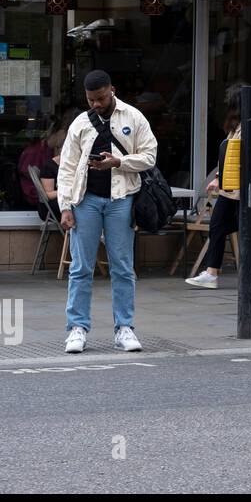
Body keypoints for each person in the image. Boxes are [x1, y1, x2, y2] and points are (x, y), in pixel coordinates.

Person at [57, 70, 158, 355]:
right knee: (80, 267)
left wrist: (119, 162)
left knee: (123, 267)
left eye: (100, 98)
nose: (96, 105)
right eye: (91, 100)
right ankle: (77, 328)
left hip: (121, 198)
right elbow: (66, 167)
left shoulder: (134, 117)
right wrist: (65, 206)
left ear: (112, 90)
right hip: (85, 199)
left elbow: (150, 155)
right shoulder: (80, 123)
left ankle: (124, 328)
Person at [185, 85, 251, 290]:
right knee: (221, 226)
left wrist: (220, 179)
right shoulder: (240, 127)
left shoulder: (250, 127)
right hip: (231, 188)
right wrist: (219, 178)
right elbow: (230, 158)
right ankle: (213, 272)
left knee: (244, 229)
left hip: (241, 189)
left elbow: (241, 159)